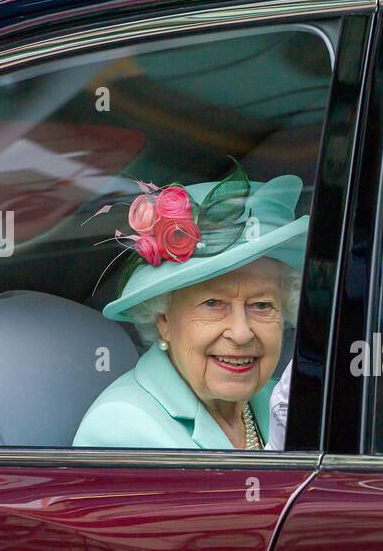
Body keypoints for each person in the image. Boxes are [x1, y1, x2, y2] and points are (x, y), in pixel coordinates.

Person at [73, 166, 305, 450]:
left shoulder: (277, 400)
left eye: (261, 305)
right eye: (213, 304)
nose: (242, 333)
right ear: (163, 318)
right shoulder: (122, 429)